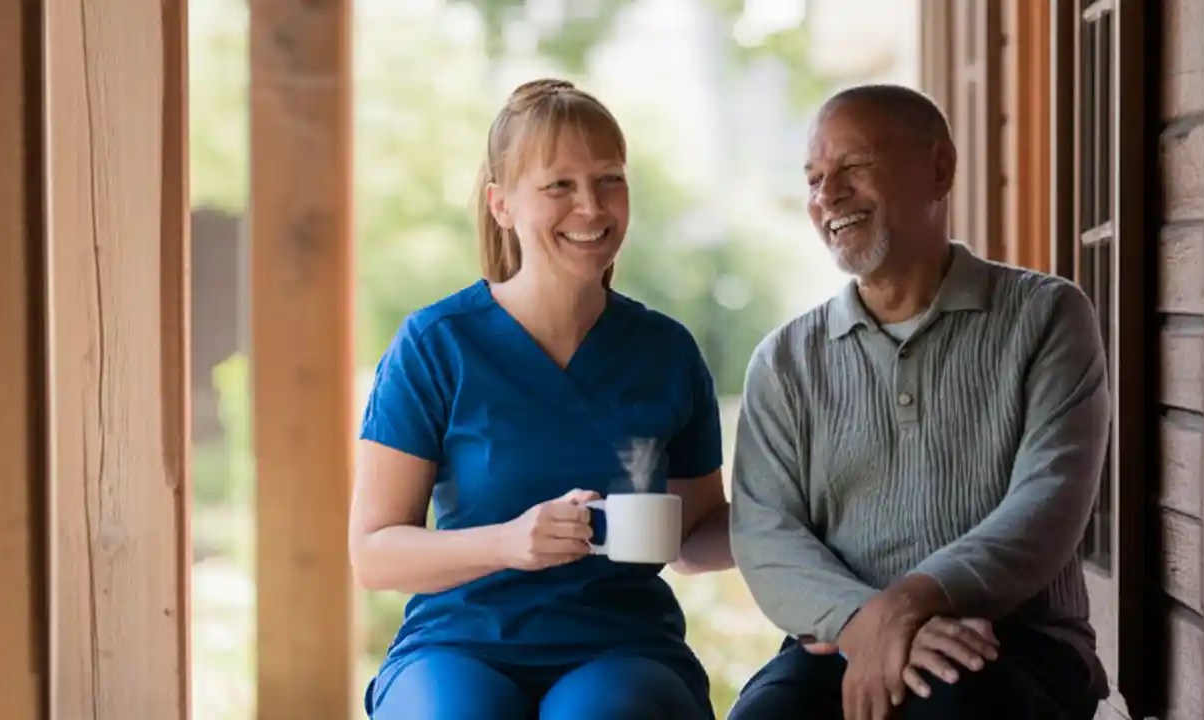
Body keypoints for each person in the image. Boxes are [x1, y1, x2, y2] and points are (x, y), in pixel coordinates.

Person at [349, 78, 732, 720]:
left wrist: (794, 514)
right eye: (560, 186)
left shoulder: (666, 352)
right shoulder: (437, 344)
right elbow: (375, 554)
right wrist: (506, 543)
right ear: (501, 205)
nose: (591, 207)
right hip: (457, 647)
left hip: (623, 649)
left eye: (609, 179)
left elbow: (691, 541)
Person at [726, 84, 1110, 720]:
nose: (827, 195)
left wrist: (907, 606)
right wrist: (865, 624)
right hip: (837, 641)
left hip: (1015, 638)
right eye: (815, 178)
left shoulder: (1046, 318)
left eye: (852, 167)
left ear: (939, 169)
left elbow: (1048, 504)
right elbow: (766, 534)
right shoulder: (785, 360)